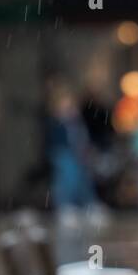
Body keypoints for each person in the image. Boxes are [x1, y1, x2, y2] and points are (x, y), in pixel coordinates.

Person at [46, 80, 107, 228]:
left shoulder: (77, 121)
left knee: (83, 180)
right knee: (67, 181)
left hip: (79, 155)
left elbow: (82, 137)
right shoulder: (57, 123)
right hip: (64, 155)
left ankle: (88, 206)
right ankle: (66, 208)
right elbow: (55, 140)